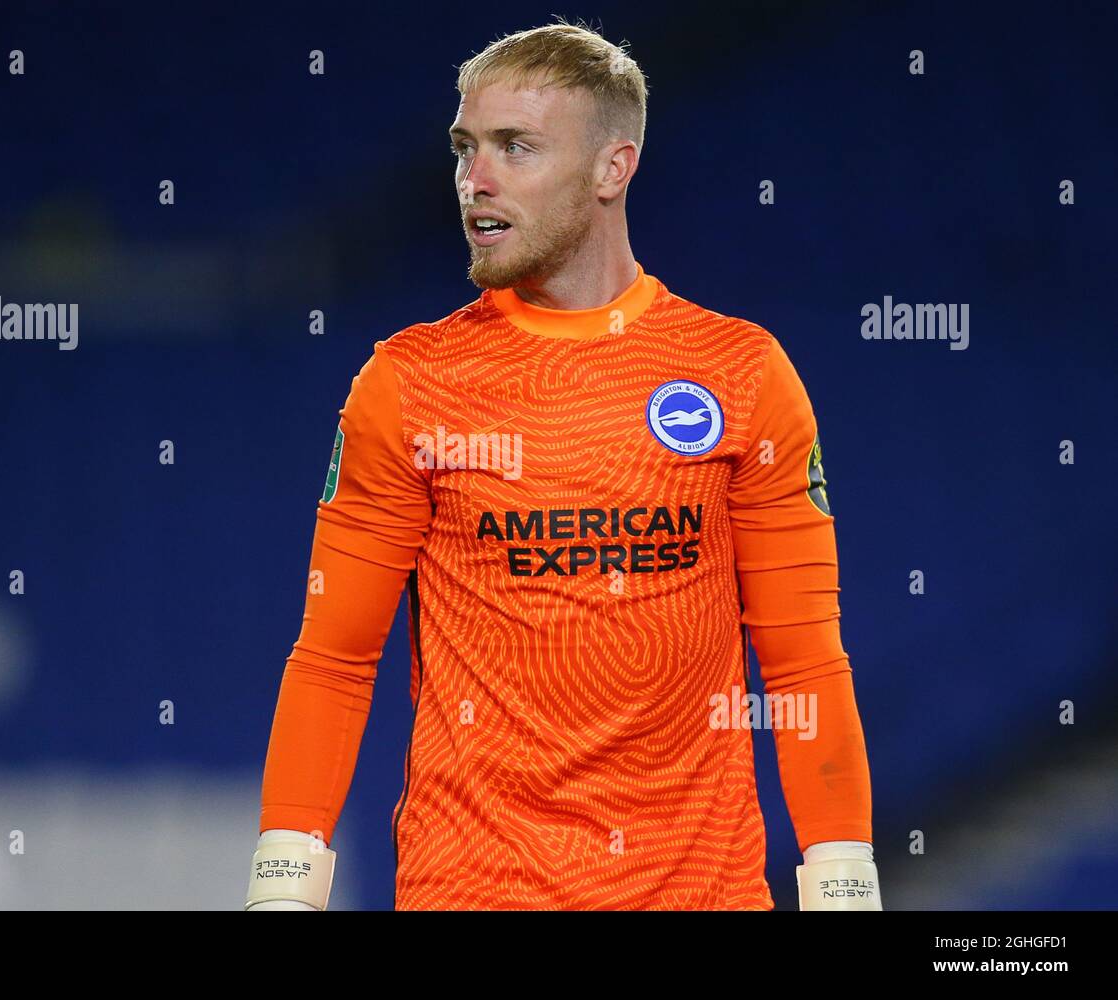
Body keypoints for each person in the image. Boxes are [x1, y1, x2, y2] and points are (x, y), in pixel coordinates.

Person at [246, 19, 877, 910]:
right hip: (473, 891)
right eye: (465, 148)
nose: (476, 181)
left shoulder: (743, 374)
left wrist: (845, 886)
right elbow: (334, 659)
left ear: (612, 169)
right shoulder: (407, 384)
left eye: (515, 147)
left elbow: (805, 661)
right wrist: (283, 889)